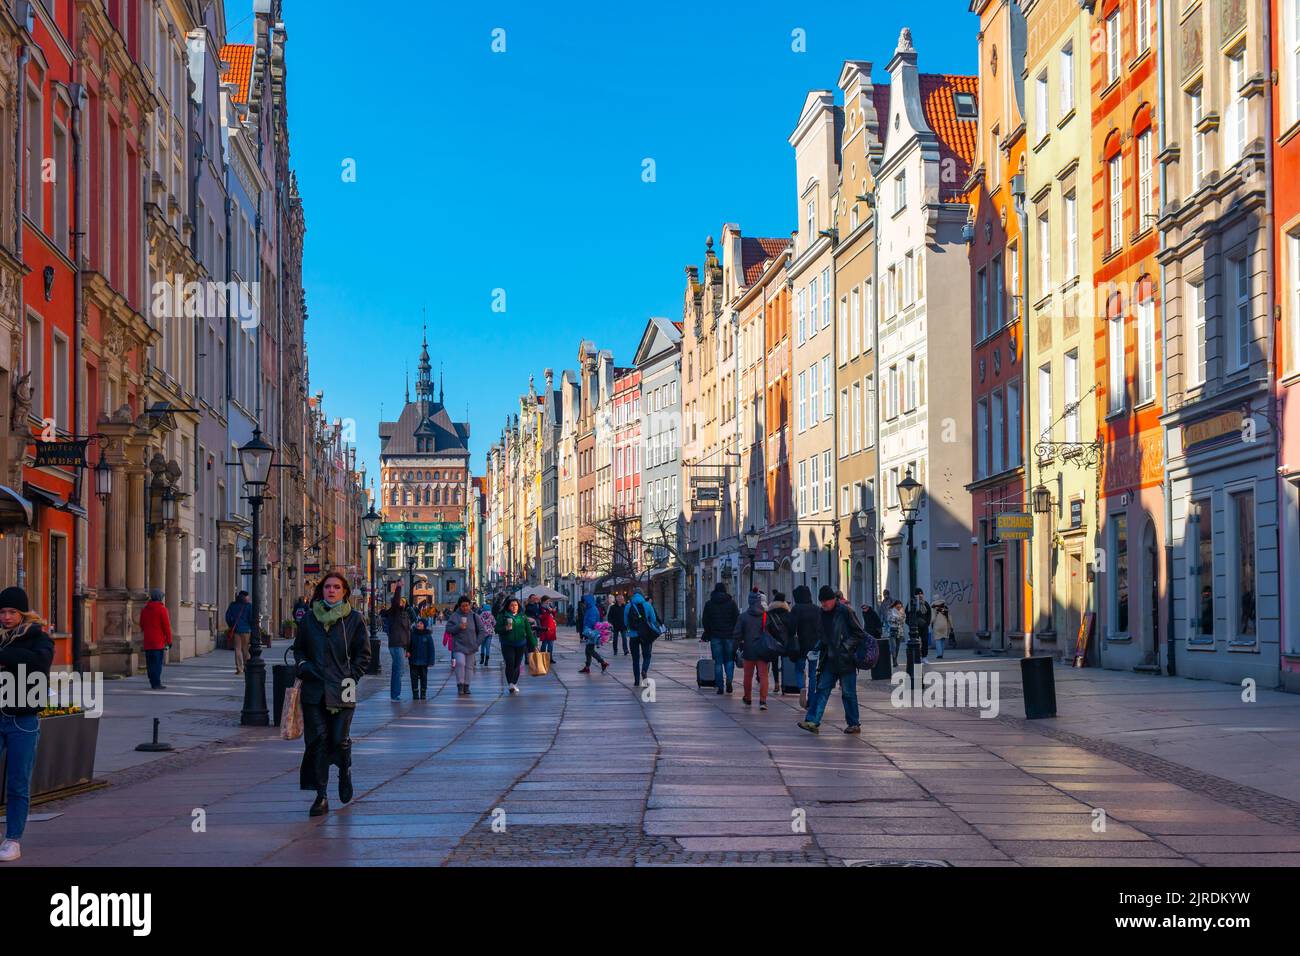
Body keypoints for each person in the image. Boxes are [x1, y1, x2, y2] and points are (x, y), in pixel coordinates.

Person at [293, 571, 370, 817]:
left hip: (343, 688)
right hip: (314, 688)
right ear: (322, 590)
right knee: (317, 741)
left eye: (337, 587)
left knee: (339, 739)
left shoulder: (354, 619)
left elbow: (364, 654)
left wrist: (351, 676)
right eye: (328, 587)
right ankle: (321, 795)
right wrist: (304, 666)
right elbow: (298, 649)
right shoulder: (309, 619)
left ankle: (344, 769)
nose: (332, 590)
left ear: (344, 591)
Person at [0, 587, 53, 861]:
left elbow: (38, 664)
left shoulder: (38, 637)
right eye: (2, 612)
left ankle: (12, 840)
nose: (6, 617)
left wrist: (5, 658)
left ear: (23, 613)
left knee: (18, 783)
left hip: (23, 719)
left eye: (12, 612)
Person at [798, 586, 865, 735]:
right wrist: (816, 649)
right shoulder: (821, 613)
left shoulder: (845, 612)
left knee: (848, 693)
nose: (823, 604)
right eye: (821, 602)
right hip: (829, 659)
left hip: (846, 659)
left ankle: (854, 724)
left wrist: (845, 646)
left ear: (833, 599)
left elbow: (859, 633)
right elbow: (823, 637)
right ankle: (812, 721)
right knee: (822, 689)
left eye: (826, 601)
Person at [732, 591, 773, 709]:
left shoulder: (743, 616)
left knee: (747, 676)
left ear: (749, 601)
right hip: (763, 650)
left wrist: (736, 647)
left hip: (748, 649)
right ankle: (763, 701)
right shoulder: (766, 616)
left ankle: (748, 698)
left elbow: (737, 634)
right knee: (763, 676)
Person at [700, 581, 740, 694]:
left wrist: (708, 632)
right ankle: (729, 680)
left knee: (717, 662)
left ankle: (720, 686)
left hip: (715, 636)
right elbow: (737, 619)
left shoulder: (709, 604)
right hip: (729, 636)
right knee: (729, 660)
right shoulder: (732, 603)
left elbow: (705, 620)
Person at [495, 597, 537, 693]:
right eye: (512, 605)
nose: (514, 607)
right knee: (510, 662)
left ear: (518, 606)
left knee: (517, 664)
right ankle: (510, 684)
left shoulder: (522, 616)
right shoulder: (503, 615)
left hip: (520, 643)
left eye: (516, 605)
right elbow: (497, 629)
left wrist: (534, 644)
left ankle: (514, 683)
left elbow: (528, 631)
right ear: (508, 606)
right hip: (507, 643)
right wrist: (505, 628)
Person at [449, 595, 487, 695]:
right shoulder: (455, 616)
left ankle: (466, 686)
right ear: (459, 606)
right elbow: (448, 629)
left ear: (469, 605)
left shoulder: (475, 616)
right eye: (463, 606)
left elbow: (482, 631)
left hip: (471, 646)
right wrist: (458, 627)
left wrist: (477, 643)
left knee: (469, 667)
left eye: (467, 605)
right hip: (459, 646)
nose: (465, 608)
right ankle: (460, 685)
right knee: (460, 663)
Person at [789, 585, 820, 708]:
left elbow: (791, 629)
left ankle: (802, 688)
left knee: (799, 670)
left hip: (800, 646)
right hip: (814, 646)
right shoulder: (817, 609)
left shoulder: (796, 609)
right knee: (813, 673)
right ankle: (811, 698)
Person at [625, 589, 660, 687]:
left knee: (635, 659)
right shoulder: (648, 605)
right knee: (647, 655)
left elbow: (625, 622)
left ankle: (636, 681)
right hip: (645, 634)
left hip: (633, 635)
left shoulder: (628, 606)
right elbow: (653, 619)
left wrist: (629, 630)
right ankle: (644, 670)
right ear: (642, 595)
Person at [140, 588, 172, 689]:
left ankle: (152, 680)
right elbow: (166, 627)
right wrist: (169, 641)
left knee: (150, 663)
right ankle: (156, 683)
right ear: (160, 598)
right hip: (158, 642)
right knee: (157, 663)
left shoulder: (145, 610)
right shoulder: (162, 610)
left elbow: (142, 625)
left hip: (148, 641)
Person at [385, 592, 411, 701]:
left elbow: (408, 632)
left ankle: (395, 694)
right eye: (400, 601)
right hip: (396, 644)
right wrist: (399, 587)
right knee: (398, 670)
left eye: (403, 601)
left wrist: (408, 648)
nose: (402, 603)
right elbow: (396, 602)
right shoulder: (394, 612)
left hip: (402, 645)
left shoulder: (405, 614)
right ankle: (395, 695)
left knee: (398, 670)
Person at [408, 603, 435, 699]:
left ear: (425, 626)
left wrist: (431, 661)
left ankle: (423, 692)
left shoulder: (427, 636)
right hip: (413, 660)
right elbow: (409, 645)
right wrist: (408, 651)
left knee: (424, 677)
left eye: (421, 623)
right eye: (418, 623)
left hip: (424, 661)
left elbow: (431, 649)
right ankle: (415, 693)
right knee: (413, 677)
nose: (418, 624)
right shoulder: (413, 634)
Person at [577, 594, 609, 675]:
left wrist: (587, 631)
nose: (584, 603)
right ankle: (587, 667)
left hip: (591, 632)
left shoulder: (592, 610)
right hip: (591, 631)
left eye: (585, 602)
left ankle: (603, 662)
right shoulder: (591, 608)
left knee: (590, 650)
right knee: (588, 650)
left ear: (588, 601)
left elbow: (591, 621)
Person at [224, 591, 253, 674]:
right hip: (246, 631)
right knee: (246, 649)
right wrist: (251, 627)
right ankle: (247, 667)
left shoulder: (233, 605)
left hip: (236, 630)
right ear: (245, 597)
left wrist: (231, 625)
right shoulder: (248, 606)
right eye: (247, 596)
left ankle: (239, 669)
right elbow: (251, 618)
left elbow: (227, 616)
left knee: (237, 649)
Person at [909, 588, 933, 662]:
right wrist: (911, 624)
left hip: (924, 626)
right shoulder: (912, 603)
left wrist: (927, 623)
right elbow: (908, 614)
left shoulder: (925, 604)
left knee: (925, 641)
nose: (920, 595)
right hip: (915, 627)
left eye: (921, 594)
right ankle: (917, 656)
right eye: (918, 594)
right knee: (916, 642)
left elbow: (929, 614)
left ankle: (924, 656)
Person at [887, 599, 906, 666]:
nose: (899, 608)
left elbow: (903, 621)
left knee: (897, 647)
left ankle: (895, 659)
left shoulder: (902, 611)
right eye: (898, 607)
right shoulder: (891, 611)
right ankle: (894, 661)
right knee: (893, 646)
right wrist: (898, 619)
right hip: (892, 630)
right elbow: (889, 619)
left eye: (900, 607)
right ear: (895, 606)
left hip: (900, 631)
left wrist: (898, 619)